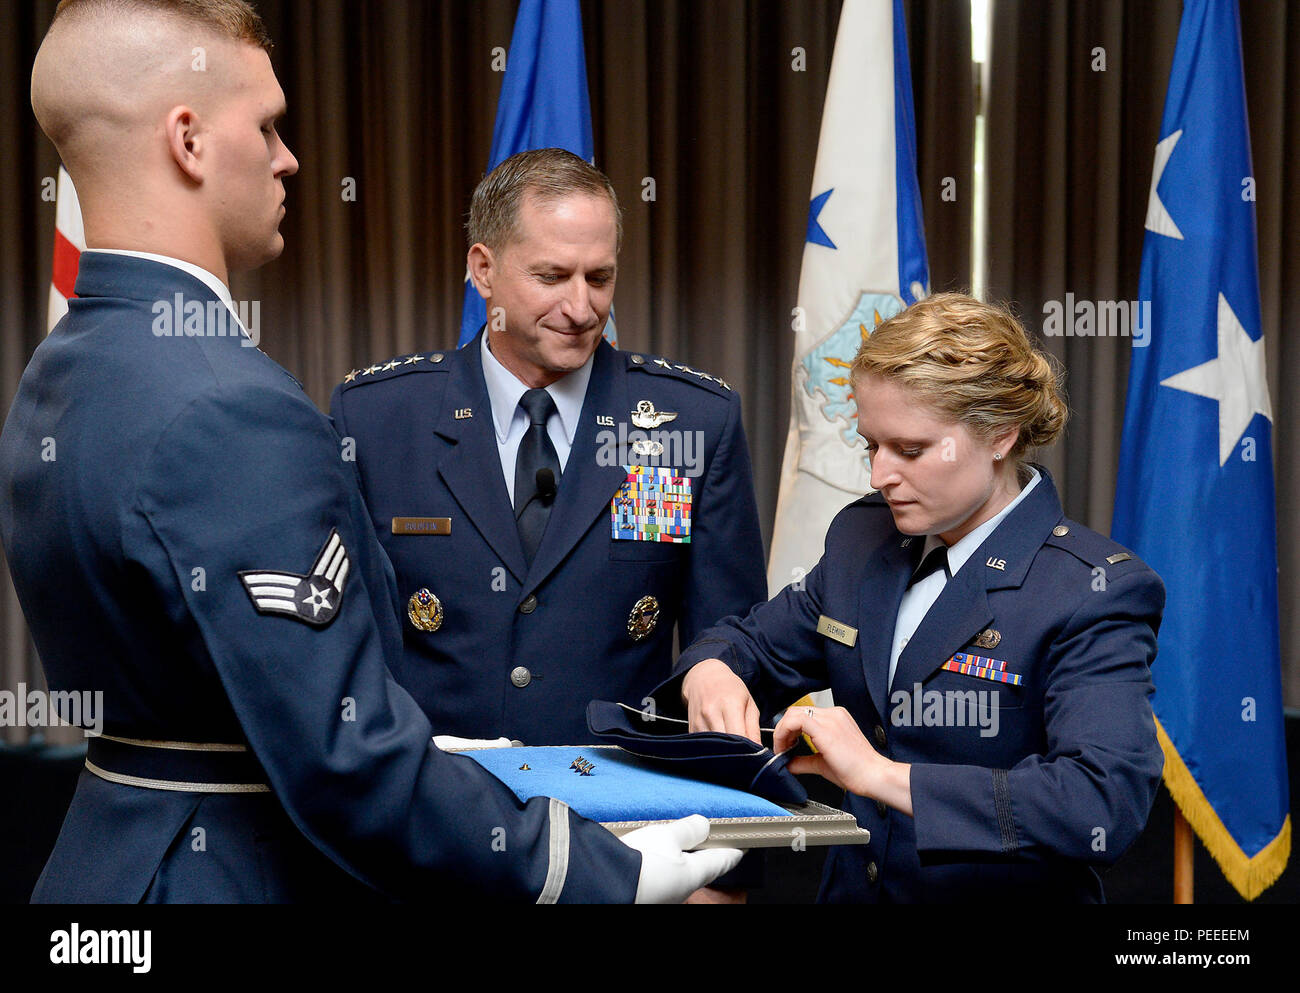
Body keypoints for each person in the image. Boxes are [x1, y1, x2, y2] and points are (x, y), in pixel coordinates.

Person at [0, 0, 739, 904]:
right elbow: (340, 754)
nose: (288, 157)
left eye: (600, 276)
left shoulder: (65, 367)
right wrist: (605, 874)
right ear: (187, 140)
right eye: (267, 125)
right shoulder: (232, 405)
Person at [671, 293, 1166, 902]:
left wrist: (879, 776)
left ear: (1000, 435)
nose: (879, 476)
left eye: (910, 450)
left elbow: (1101, 801)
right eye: (870, 445)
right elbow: (750, 643)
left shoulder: (1091, 589)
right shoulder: (862, 540)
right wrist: (711, 670)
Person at [329, 148, 766, 747]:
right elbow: (342, 639)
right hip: (435, 803)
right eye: (552, 276)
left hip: (620, 806)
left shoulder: (690, 420)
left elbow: (732, 632)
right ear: (483, 271)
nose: (581, 308)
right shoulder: (378, 418)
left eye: (600, 277)